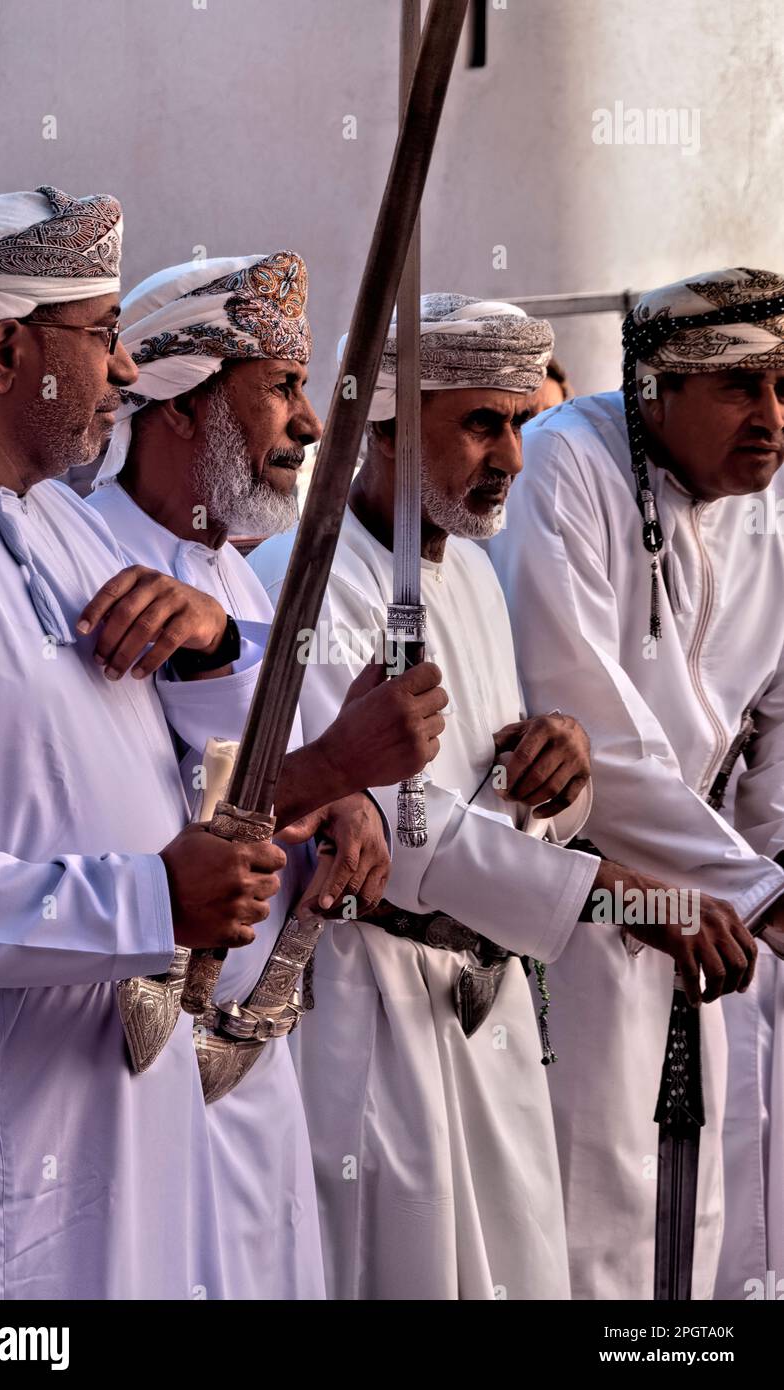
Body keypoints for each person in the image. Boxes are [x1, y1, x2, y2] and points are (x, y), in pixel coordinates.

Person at [0, 189, 438, 1301]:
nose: (119, 371)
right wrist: (149, 904)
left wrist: (214, 654)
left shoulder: (46, 520)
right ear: (7, 350)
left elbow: (180, 762)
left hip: (129, 1121)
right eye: (101, 338)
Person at [250, 292, 755, 1300]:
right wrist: (622, 892)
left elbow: (498, 798)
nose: (512, 458)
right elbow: (402, 825)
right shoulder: (295, 580)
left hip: (491, 1018)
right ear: (384, 427)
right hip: (375, 1013)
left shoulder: (472, 577)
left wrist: (560, 770)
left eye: (520, 423)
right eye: (483, 422)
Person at [87, 252, 449, 1297]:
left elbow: (274, 771)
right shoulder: (97, 568)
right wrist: (336, 765)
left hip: (254, 1059)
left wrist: (347, 802)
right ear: (181, 405)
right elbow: (155, 824)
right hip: (141, 1069)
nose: (306, 424)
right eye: (279, 389)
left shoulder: (231, 571)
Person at [492, 266, 783, 1299]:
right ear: (655, 388)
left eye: (781, 388)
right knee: (582, 1210)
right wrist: (752, 887)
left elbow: (771, 739)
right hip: (575, 884)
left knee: (697, 1215)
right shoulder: (563, 466)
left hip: (715, 913)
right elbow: (587, 725)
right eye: (740, 388)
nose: (769, 418)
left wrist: (762, 871)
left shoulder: (765, 513)